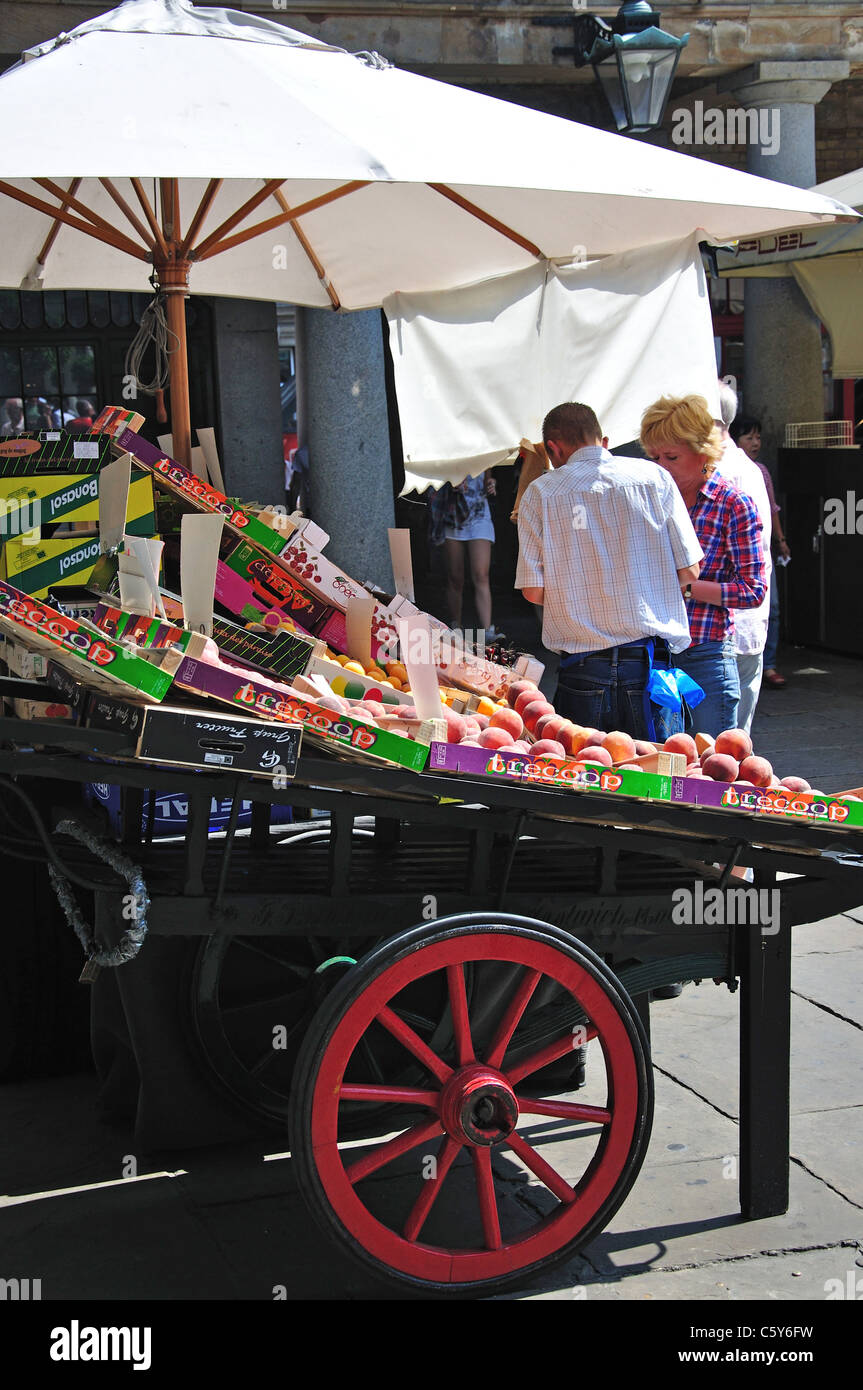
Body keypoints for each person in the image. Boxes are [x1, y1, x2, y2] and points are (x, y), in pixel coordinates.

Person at [515, 401, 702, 739]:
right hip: (650, 665)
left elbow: (533, 592)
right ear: (603, 441)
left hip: (582, 666)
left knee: (585, 780)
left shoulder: (539, 494)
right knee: (658, 784)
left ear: (553, 449)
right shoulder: (654, 477)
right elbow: (690, 571)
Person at [641, 395, 766, 738]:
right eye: (654, 457)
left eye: (672, 457)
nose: (661, 466)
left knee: (712, 768)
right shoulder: (650, 500)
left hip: (706, 654)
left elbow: (752, 589)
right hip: (655, 653)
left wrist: (686, 586)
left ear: (703, 451)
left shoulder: (733, 504)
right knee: (660, 769)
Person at [713, 383, 772, 733]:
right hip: (743, 623)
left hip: (726, 623)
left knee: (722, 741)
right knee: (734, 736)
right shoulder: (747, 467)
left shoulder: (723, 472)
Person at [731, 414, 790, 689]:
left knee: (772, 608)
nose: (755, 442)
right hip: (735, 562)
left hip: (760, 555)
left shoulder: (760, 471)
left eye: (757, 437)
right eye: (749, 437)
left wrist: (780, 539)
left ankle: (770, 664)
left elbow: (773, 508)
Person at [428, 471, 500, 640]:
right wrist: (450, 479)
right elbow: (435, 470)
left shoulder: (483, 445)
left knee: (481, 574)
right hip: (453, 513)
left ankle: (487, 630)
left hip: (479, 512)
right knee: (455, 576)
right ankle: (456, 627)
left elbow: (488, 468)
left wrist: (490, 480)